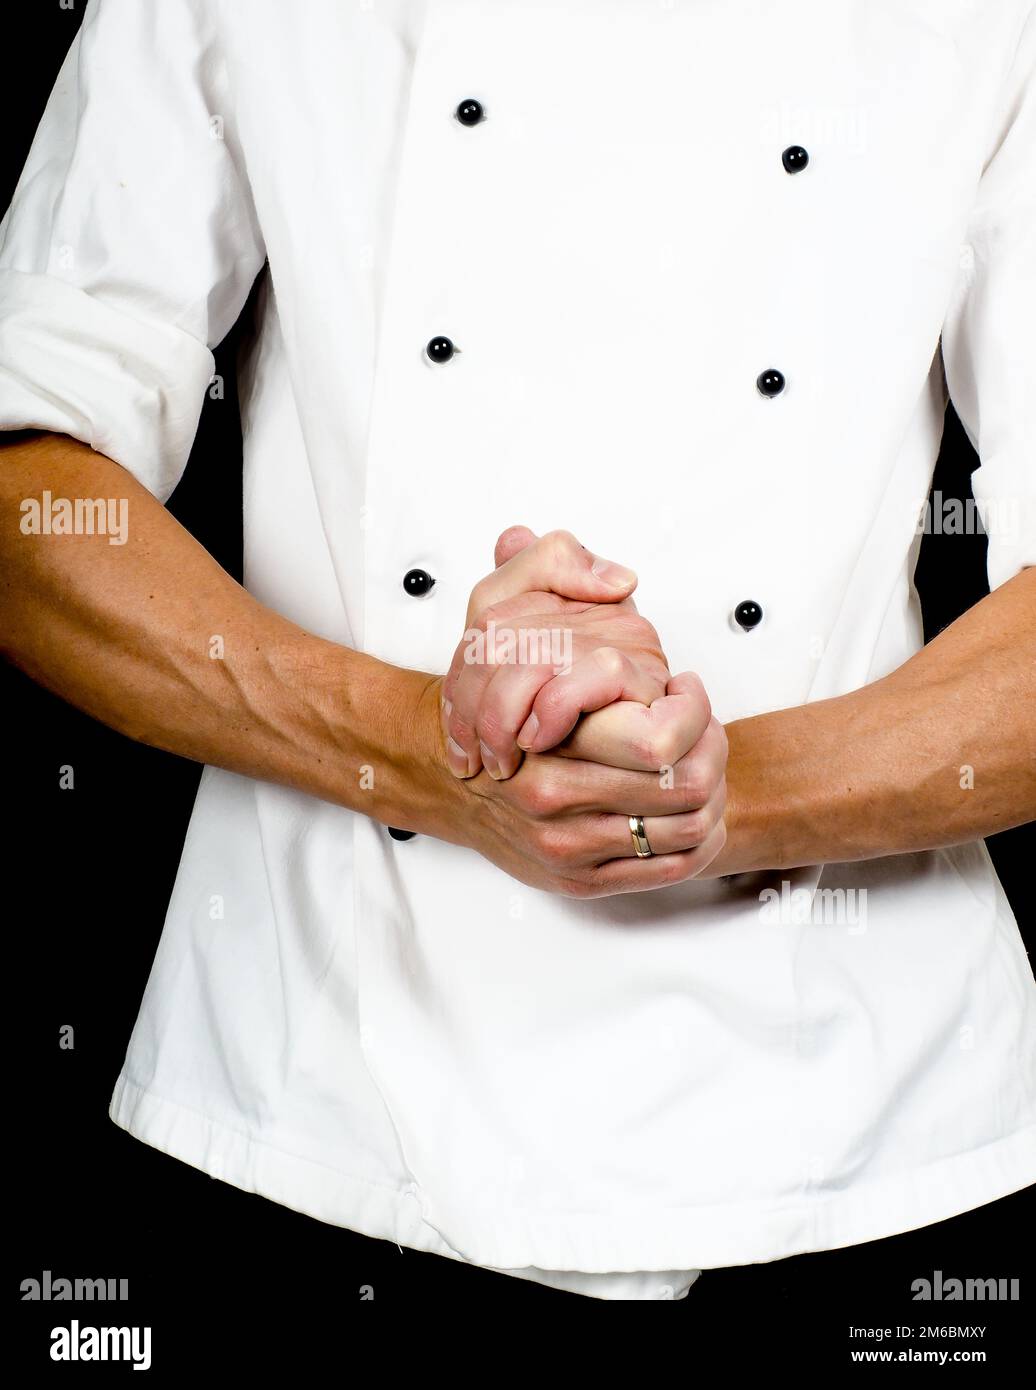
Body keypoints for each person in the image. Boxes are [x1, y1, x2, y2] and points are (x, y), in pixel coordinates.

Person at [0, 0, 1033, 1302]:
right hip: (320, 1115)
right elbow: (26, 498)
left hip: (873, 1143)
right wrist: (420, 754)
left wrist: (710, 796)